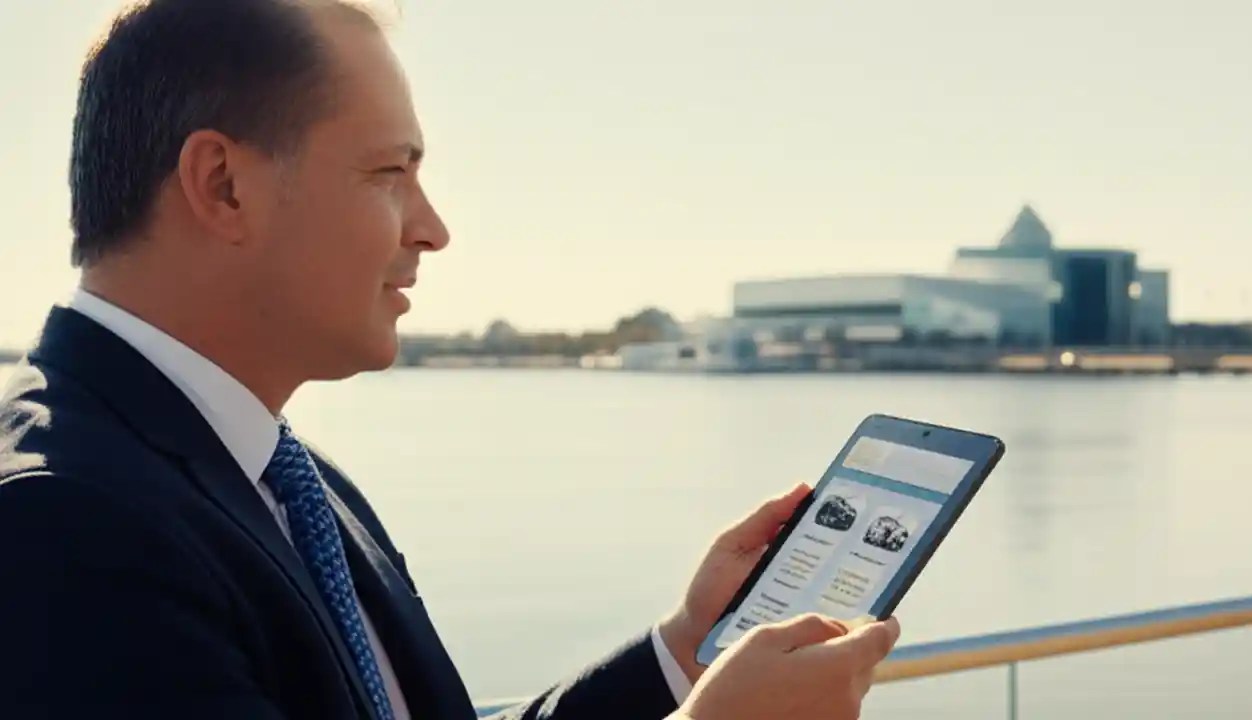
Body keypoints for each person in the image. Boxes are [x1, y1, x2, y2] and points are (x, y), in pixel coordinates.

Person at [0, 1, 900, 718]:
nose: (432, 228)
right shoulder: (62, 527)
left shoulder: (285, 477)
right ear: (223, 186)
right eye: (389, 173)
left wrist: (680, 652)